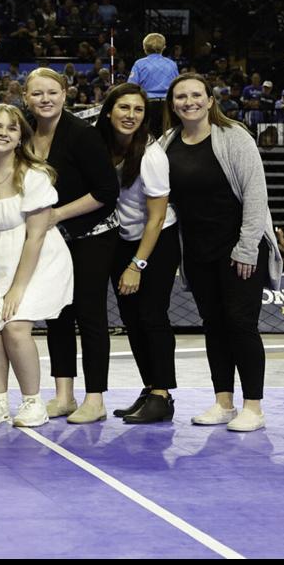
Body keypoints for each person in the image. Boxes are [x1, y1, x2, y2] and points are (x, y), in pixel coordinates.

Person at [158, 74, 282, 432]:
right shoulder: (168, 143)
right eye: (181, 96)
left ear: (210, 100)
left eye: (196, 95)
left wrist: (246, 249)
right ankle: (223, 402)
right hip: (198, 252)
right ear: (172, 103)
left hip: (240, 248)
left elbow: (256, 196)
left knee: (241, 325)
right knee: (213, 326)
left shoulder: (235, 137)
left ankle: (254, 408)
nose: (189, 101)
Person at [0, 104, 71, 427]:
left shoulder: (34, 176)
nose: (3, 133)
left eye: (11, 128)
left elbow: (35, 237)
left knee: (15, 326)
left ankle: (33, 403)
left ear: (21, 137)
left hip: (36, 258)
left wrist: (17, 288)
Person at [23, 67, 118, 424]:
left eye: (52, 92)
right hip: (52, 239)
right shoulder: (26, 135)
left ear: (65, 94)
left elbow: (107, 192)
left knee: (90, 315)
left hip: (92, 235)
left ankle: (95, 399)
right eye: (37, 93)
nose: (45, 99)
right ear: (26, 98)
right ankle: (63, 395)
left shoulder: (82, 135)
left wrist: (57, 215)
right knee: (57, 313)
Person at [97, 83, 181, 424]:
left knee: (152, 314)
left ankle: (162, 394)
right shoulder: (102, 146)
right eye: (124, 108)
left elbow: (158, 217)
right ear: (109, 111)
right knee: (131, 319)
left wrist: (137, 264)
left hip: (157, 239)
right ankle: (149, 388)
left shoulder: (151, 154)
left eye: (138, 110)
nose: (130, 115)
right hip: (124, 237)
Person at [126, 33, 178, 139]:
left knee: (146, 137)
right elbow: (177, 86)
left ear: (144, 48)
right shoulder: (172, 64)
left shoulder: (139, 64)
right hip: (167, 105)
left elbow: (131, 86)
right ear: (164, 47)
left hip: (147, 104)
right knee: (166, 136)